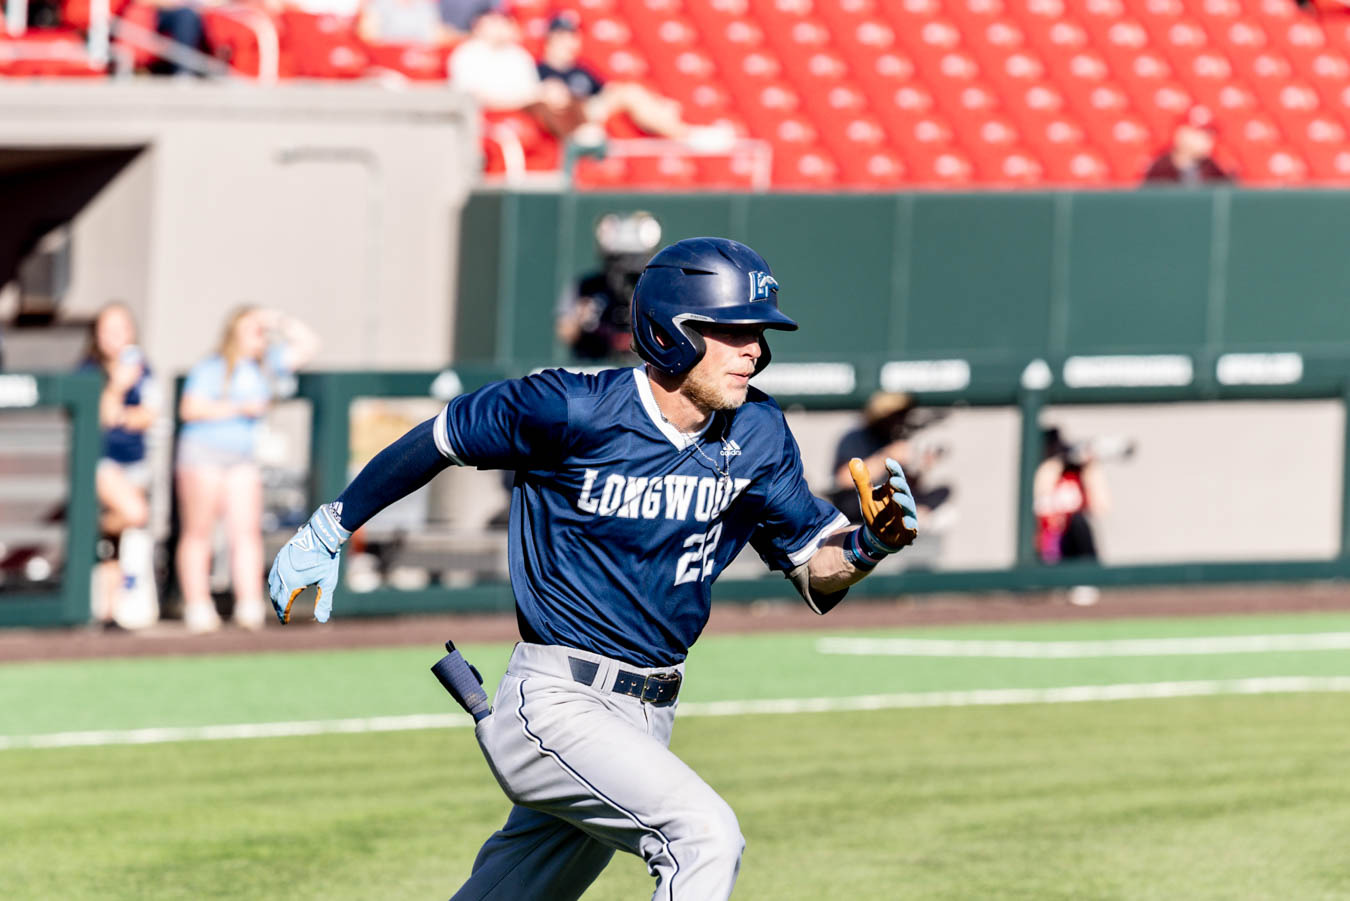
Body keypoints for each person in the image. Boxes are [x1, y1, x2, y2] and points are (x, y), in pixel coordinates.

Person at [267, 237, 920, 900]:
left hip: (647, 713)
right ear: (670, 330)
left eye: (758, 332)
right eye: (730, 330)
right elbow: (440, 438)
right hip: (557, 702)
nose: (753, 348)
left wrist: (869, 545)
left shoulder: (757, 430)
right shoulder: (568, 406)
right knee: (704, 835)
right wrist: (331, 526)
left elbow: (813, 563)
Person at [176, 306, 318, 632]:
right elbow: (191, 408)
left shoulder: (267, 365)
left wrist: (277, 320)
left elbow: (309, 345)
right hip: (203, 456)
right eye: (252, 329)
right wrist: (240, 407)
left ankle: (249, 605)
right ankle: (197, 605)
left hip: (242, 460)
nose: (260, 336)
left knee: (245, 532)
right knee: (199, 532)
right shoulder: (212, 367)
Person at [535, 12, 734, 149]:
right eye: (565, 35)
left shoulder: (582, 70)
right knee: (629, 93)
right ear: (552, 38)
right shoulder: (540, 70)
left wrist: (657, 103)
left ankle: (678, 130)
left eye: (574, 35)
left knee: (633, 93)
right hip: (569, 118)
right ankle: (687, 136)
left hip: (591, 112)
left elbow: (606, 91)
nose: (571, 40)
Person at [80, 302, 160, 630]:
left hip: (135, 462)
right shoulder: (88, 370)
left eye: (121, 328)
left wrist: (124, 414)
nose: (115, 336)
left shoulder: (143, 368)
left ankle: (109, 612)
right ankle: (88, 532)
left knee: (116, 538)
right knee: (134, 513)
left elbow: (148, 415)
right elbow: (100, 417)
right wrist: (116, 388)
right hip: (100, 461)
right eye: (107, 330)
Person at [828, 391, 950, 526]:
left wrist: (922, 468)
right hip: (857, 503)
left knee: (943, 492)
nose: (899, 420)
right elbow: (844, 479)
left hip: (888, 501)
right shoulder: (856, 438)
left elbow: (904, 485)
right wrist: (886, 456)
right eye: (896, 416)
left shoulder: (893, 438)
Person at [554, 210, 661, 361]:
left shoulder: (654, 287)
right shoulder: (586, 286)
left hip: (641, 364)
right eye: (618, 259)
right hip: (596, 364)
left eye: (635, 259)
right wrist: (580, 318)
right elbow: (564, 331)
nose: (625, 266)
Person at [1034, 427, 1114, 606]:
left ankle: (1083, 579)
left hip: (1074, 546)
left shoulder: (1076, 475)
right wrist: (1055, 464)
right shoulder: (1044, 471)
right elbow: (1041, 500)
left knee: (1078, 522)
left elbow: (1102, 507)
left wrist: (1091, 468)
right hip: (1049, 543)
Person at [447, 8, 542, 111]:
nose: (499, 27)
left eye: (502, 22)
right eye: (493, 22)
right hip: (479, 114)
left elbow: (531, 92)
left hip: (519, 112)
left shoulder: (519, 54)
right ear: (477, 26)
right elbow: (471, 95)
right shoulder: (465, 53)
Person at [1142, 105, 1232, 186]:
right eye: (1201, 133)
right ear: (1182, 133)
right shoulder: (1160, 170)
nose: (1207, 140)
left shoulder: (1215, 171)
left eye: (1210, 134)